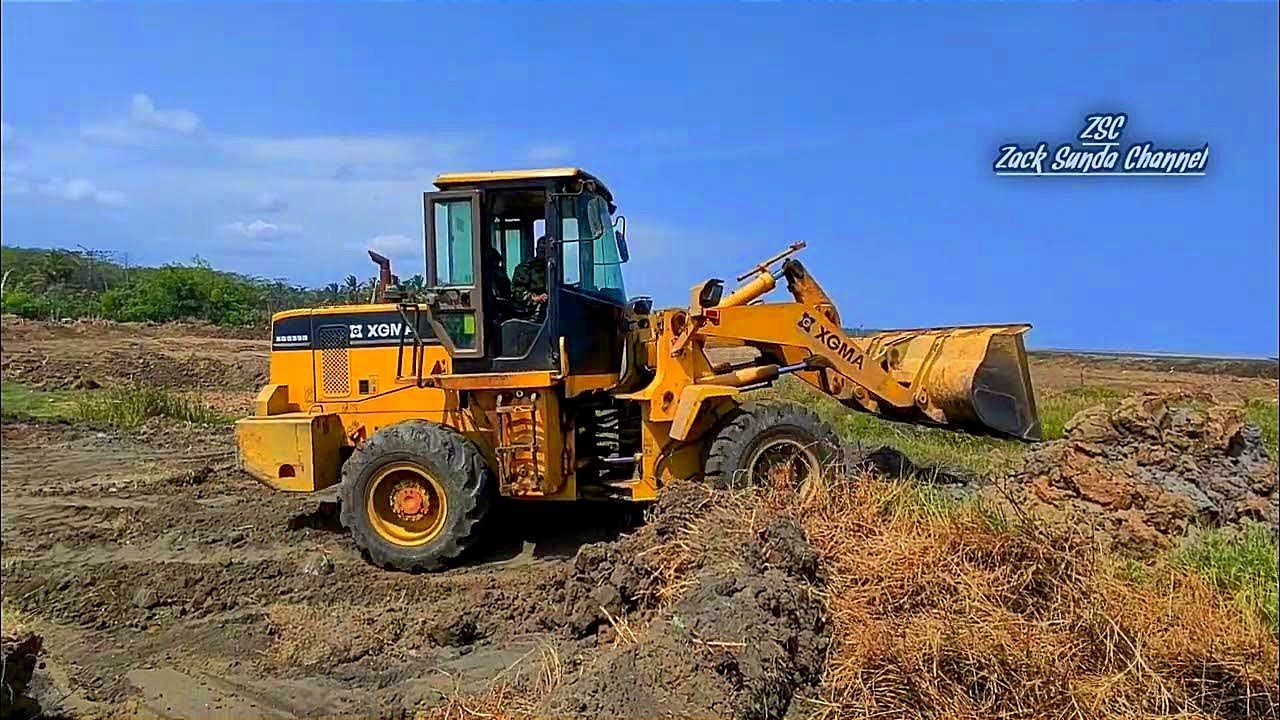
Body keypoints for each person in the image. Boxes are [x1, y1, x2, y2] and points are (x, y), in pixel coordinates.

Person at [511, 235, 549, 319]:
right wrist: (536, 298)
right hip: (530, 313)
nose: (545, 254)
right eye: (542, 250)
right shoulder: (526, 268)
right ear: (536, 250)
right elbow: (517, 293)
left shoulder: (554, 268)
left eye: (547, 251)